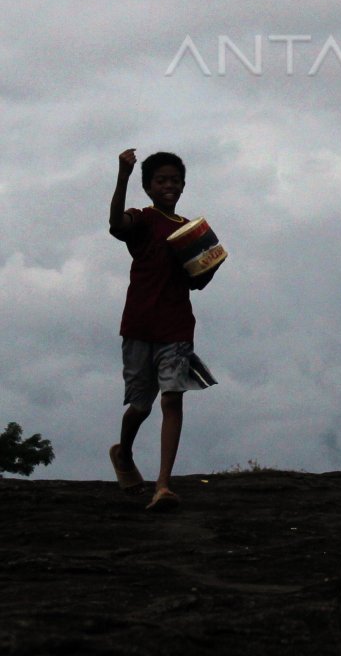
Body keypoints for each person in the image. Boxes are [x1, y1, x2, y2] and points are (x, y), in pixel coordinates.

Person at [108, 148, 217, 511]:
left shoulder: (190, 230)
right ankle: (124, 454)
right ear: (149, 186)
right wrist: (122, 176)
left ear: (183, 185)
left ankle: (163, 484)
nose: (169, 185)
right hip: (139, 325)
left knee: (172, 398)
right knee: (140, 405)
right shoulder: (143, 220)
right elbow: (116, 224)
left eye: (175, 180)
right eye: (161, 180)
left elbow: (197, 280)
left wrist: (210, 266)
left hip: (176, 327)